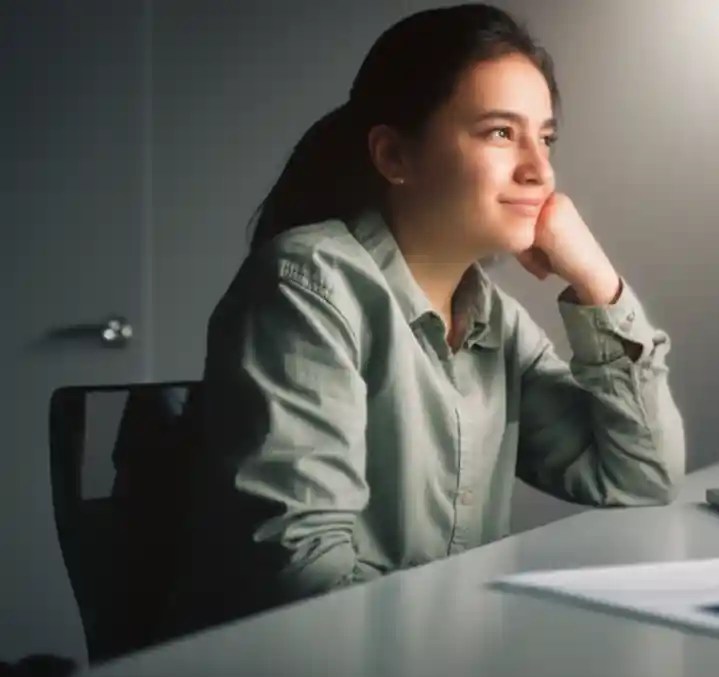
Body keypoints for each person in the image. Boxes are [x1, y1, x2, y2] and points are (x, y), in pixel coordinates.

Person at [167, 3, 685, 633]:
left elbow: (639, 478)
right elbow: (303, 577)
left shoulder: (492, 315)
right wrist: (495, 630)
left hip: (435, 674)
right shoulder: (308, 286)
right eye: (500, 132)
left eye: (544, 138)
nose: (540, 170)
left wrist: (598, 284)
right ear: (394, 156)